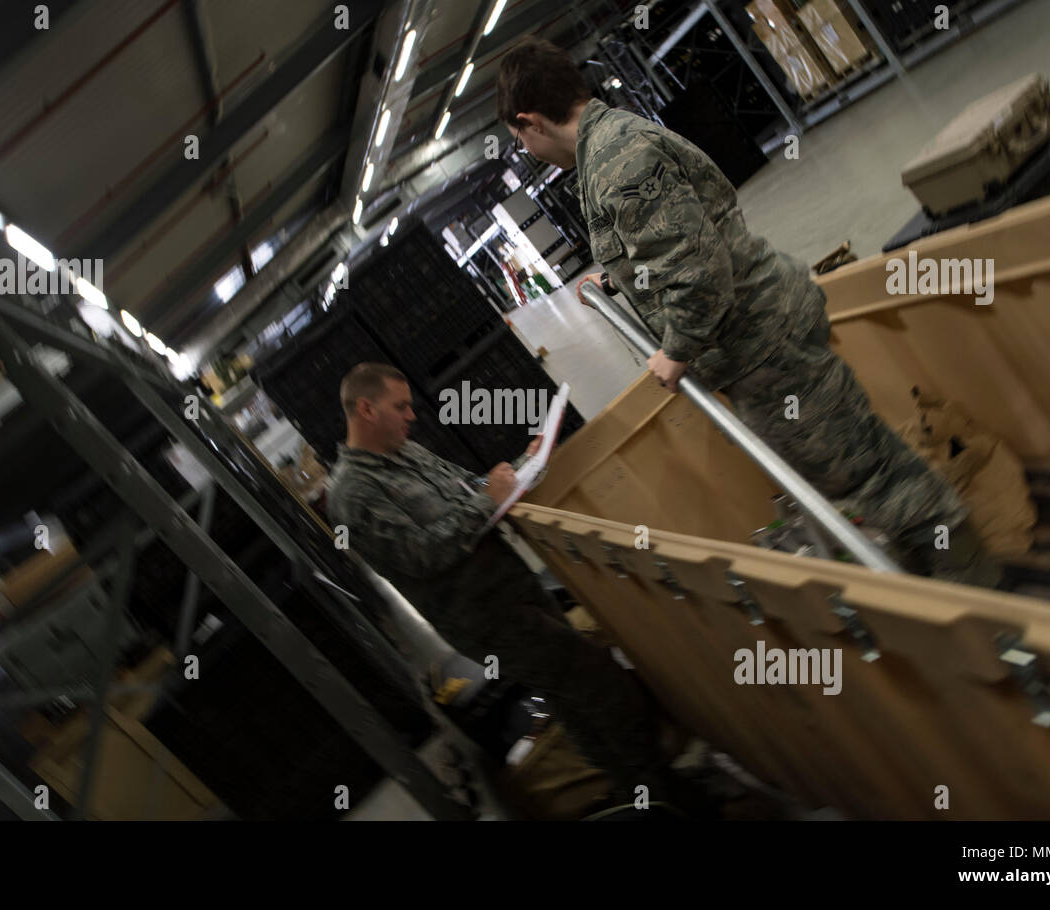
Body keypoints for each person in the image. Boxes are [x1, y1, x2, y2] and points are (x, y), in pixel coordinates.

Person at [495, 37, 999, 585]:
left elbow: (699, 273)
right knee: (853, 465)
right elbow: (673, 242)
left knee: (864, 473)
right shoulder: (608, 148)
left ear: (531, 122)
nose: (527, 151)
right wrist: (618, 277)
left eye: (519, 140)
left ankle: (975, 590)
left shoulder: (617, 164)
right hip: (756, 344)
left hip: (764, 344)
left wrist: (677, 351)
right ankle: (946, 580)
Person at [325, 362, 722, 815]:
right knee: (600, 681)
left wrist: (523, 466)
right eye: (400, 407)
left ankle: (640, 794)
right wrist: (485, 499)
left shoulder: (404, 452)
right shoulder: (352, 494)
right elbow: (421, 555)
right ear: (366, 408)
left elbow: (468, 490)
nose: (411, 416)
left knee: (573, 699)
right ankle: (665, 792)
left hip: (512, 587)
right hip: (485, 618)